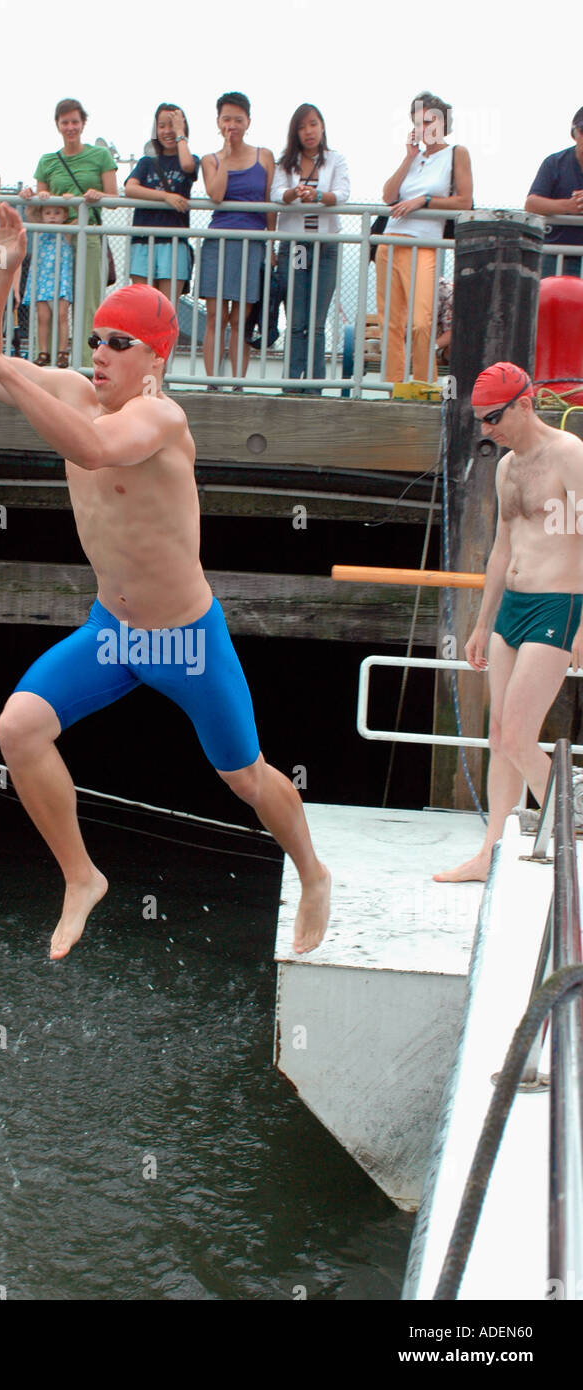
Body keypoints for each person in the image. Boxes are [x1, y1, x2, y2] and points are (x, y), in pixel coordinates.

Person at [0, 202, 331, 961]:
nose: (101, 354)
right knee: (17, 728)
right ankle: (82, 877)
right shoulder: (76, 391)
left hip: (185, 642)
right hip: (113, 634)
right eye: (96, 340)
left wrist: (14, 370)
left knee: (246, 777)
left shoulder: (160, 420)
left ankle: (311, 871)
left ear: (156, 360)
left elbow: (89, 444)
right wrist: (3, 271)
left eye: (120, 344)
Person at [434, 363, 583, 884]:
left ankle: (575, 828)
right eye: (480, 420)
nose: (486, 430)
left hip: (558, 605)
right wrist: (481, 623)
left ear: (525, 403)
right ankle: (490, 852)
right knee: (499, 735)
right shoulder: (505, 468)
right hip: (513, 610)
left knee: (521, 736)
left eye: (493, 417)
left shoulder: (569, 455)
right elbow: (500, 549)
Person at [377, 91, 472, 383]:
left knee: (420, 323)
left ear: (443, 123)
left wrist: (424, 200)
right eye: (417, 122)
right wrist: (408, 157)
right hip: (391, 242)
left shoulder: (456, 152)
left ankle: (422, 385)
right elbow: (388, 196)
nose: (423, 128)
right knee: (391, 325)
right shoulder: (414, 158)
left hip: (424, 246)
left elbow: (464, 202)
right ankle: (394, 388)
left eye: (429, 121)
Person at [21, 99, 118, 368]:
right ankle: (50, 361)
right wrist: (30, 196)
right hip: (55, 241)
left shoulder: (100, 156)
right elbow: (39, 210)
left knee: (88, 303)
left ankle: (88, 364)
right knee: (50, 302)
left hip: (88, 236)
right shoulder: (48, 161)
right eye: (65, 122)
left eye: (75, 121)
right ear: (58, 125)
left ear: (83, 123)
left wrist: (99, 195)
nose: (70, 127)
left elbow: (115, 197)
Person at [271, 104, 349, 393]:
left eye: (313, 124)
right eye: (303, 127)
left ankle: (315, 387)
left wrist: (318, 195)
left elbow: (342, 194)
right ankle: (291, 386)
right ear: (295, 132)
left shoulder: (335, 159)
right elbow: (276, 194)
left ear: (322, 126)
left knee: (317, 322)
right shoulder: (285, 163)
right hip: (296, 246)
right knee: (296, 321)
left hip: (325, 246)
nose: (309, 131)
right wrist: (294, 194)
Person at [199, 92, 274, 387]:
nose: (232, 125)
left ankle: (238, 382)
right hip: (219, 241)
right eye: (226, 119)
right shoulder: (210, 159)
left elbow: (269, 202)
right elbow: (216, 194)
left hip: (252, 243)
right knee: (216, 315)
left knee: (241, 318)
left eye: (238, 119)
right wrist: (227, 155)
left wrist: (271, 242)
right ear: (218, 122)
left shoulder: (264, 156)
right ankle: (213, 382)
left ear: (249, 122)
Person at [125, 103, 198, 306]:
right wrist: (166, 196)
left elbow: (187, 166)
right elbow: (130, 188)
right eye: (162, 125)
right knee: (143, 306)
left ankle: (166, 340)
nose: (167, 131)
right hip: (143, 241)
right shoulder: (146, 162)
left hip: (173, 242)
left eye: (172, 125)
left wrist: (180, 133)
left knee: (166, 308)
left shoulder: (191, 159)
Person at [524, 107, 583, 278]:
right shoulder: (554, 163)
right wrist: (570, 206)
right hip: (557, 255)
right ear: (574, 133)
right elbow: (532, 204)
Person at [23, 201, 73, 366]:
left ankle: (63, 351)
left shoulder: (66, 232)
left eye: (57, 212)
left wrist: (70, 200)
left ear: (65, 215)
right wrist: (36, 198)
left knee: (62, 315)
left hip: (61, 279)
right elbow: (29, 212)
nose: (52, 216)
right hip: (42, 278)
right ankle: (43, 351)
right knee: (43, 317)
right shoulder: (40, 230)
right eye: (48, 213)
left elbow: (81, 217)